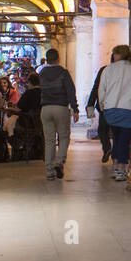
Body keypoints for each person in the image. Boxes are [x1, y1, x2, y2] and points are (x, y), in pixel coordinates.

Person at [97, 44, 131, 182]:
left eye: (114, 54)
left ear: (118, 55)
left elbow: (101, 89)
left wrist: (103, 105)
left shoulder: (108, 69)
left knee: (116, 137)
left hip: (112, 109)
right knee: (124, 140)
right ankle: (121, 168)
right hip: (130, 109)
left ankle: (116, 166)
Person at [37, 47, 79, 181]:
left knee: (49, 141)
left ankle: (49, 171)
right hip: (60, 107)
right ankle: (59, 162)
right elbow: (70, 91)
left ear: (47, 59)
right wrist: (75, 109)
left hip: (45, 108)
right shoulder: (63, 72)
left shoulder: (42, 73)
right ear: (58, 58)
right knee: (64, 137)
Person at [9, 72, 44, 162]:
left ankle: (18, 149)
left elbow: (18, 108)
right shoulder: (44, 93)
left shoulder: (29, 93)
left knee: (10, 126)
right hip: (42, 123)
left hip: (28, 123)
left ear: (29, 82)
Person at [87, 55, 114, 163]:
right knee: (116, 131)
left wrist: (90, 103)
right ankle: (115, 154)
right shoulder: (125, 73)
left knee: (103, 130)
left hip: (105, 106)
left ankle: (107, 148)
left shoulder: (104, 70)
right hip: (118, 106)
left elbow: (96, 87)